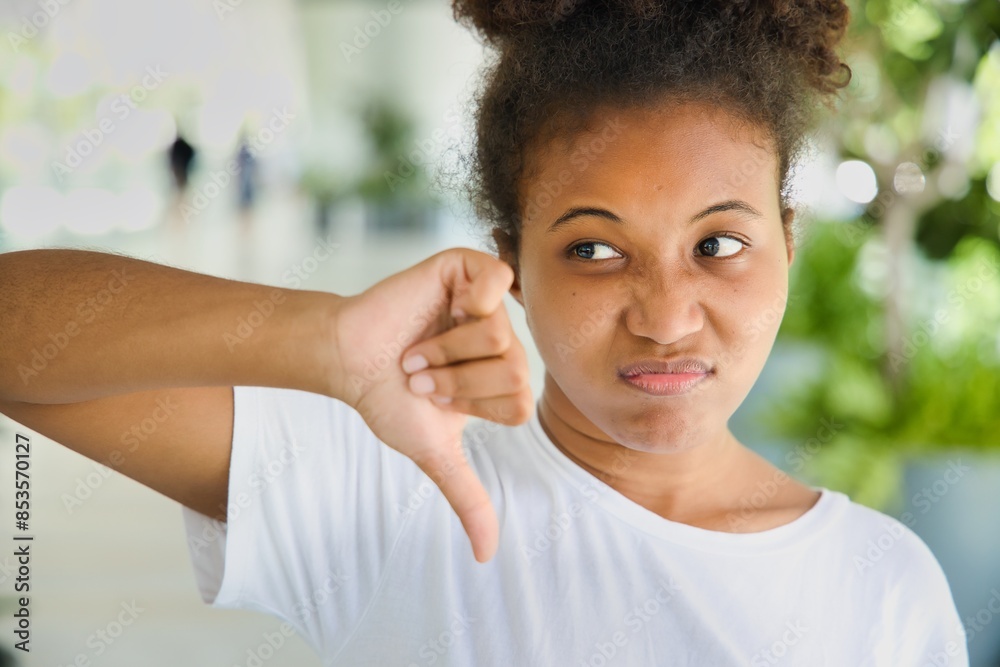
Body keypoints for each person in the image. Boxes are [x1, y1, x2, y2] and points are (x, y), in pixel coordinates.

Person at [0, 0, 969, 664]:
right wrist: (321, 338)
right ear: (509, 259)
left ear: (787, 245)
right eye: (594, 251)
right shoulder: (390, 484)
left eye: (717, 242)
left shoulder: (880, 586)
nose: (667, 316)